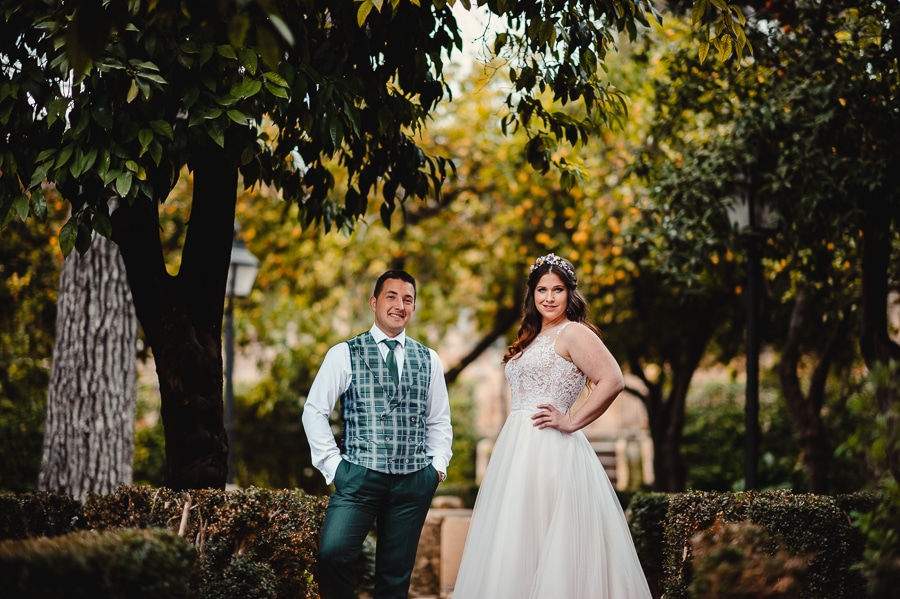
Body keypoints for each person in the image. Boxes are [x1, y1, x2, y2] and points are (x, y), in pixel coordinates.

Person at [452, 253, 652, 599]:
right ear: (531, 294)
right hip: (517, 450)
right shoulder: (530, 336)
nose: (548, 297)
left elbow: (612, 379)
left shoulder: (573, 332)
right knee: (517, 537)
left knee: (552, 537)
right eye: (541, 289)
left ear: (569, 294)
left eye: (557, 290)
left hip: (550, 449)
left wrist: (572, 421)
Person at [301, 270, 453, 599]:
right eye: (391, 296)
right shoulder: (344, 353)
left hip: (413, 479)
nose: (400, 305)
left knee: (394, 580)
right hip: (358, 476)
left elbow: (439, 420)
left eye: (407, 299)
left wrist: (436, 467)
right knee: (332, 555)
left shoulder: (429, 359)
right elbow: (314, 411)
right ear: (374, 302)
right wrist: (334, 466)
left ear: (413, 307)